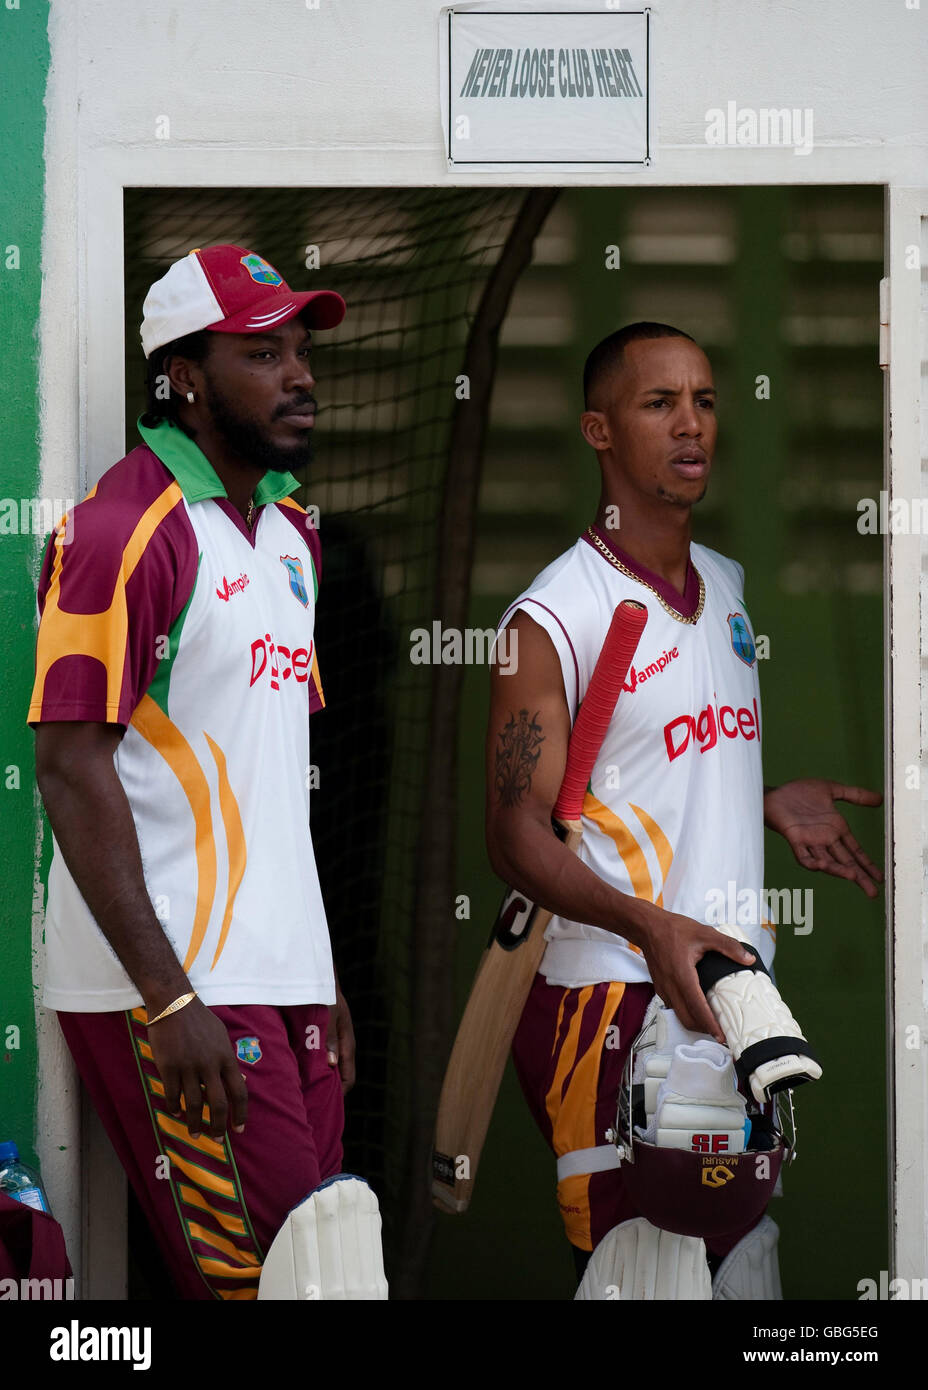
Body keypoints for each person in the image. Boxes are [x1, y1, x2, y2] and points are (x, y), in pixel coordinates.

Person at [485, 321, 883, 1297]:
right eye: (658, 403)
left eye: (702, 399)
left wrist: (761, 795)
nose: (690, 423)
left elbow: (652, 769)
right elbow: (513, 831)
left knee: (740, 1274)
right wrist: (651, 928)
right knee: (637, 1277)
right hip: (611, 1000)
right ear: (598, 430)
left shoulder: (726, 589)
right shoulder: (554, 614)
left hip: (732, 1000)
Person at [29, 244, 358, 1301]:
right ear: (182, 374)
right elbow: (69, 764)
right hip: (179, 991)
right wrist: (169, 1000)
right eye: (263, 352)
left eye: (301, 350)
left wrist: (323, 976)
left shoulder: (292, 536)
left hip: (283, 984)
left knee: (330, 1279)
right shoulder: (123, 527)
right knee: (272, 1291)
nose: (299, 374)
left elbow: (266, 782)